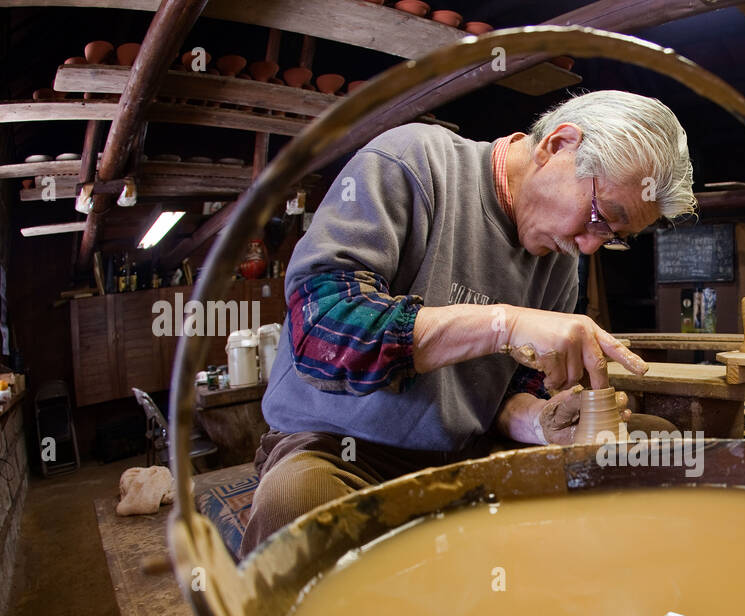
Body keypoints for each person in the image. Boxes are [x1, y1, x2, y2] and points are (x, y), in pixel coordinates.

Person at [240, 91, 695, 558]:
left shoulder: (558, 255)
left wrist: (539, 420)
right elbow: (323, 332)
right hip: (344, 450)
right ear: (558, 146)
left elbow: (498, 394)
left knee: (655, 441)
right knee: (299, 511)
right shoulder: (411, 161)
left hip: (463, 451)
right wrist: (504, 324)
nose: (590, 246)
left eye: (613, 238)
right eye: (601, 217)